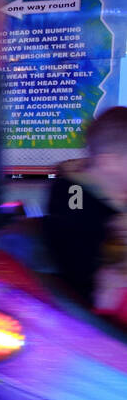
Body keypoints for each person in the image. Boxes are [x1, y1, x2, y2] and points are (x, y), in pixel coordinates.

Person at [44, 106, 127, 305]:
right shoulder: (74, 192)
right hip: (85, 312)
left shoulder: (117, 189)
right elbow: (77, 258)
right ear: (109, 163)